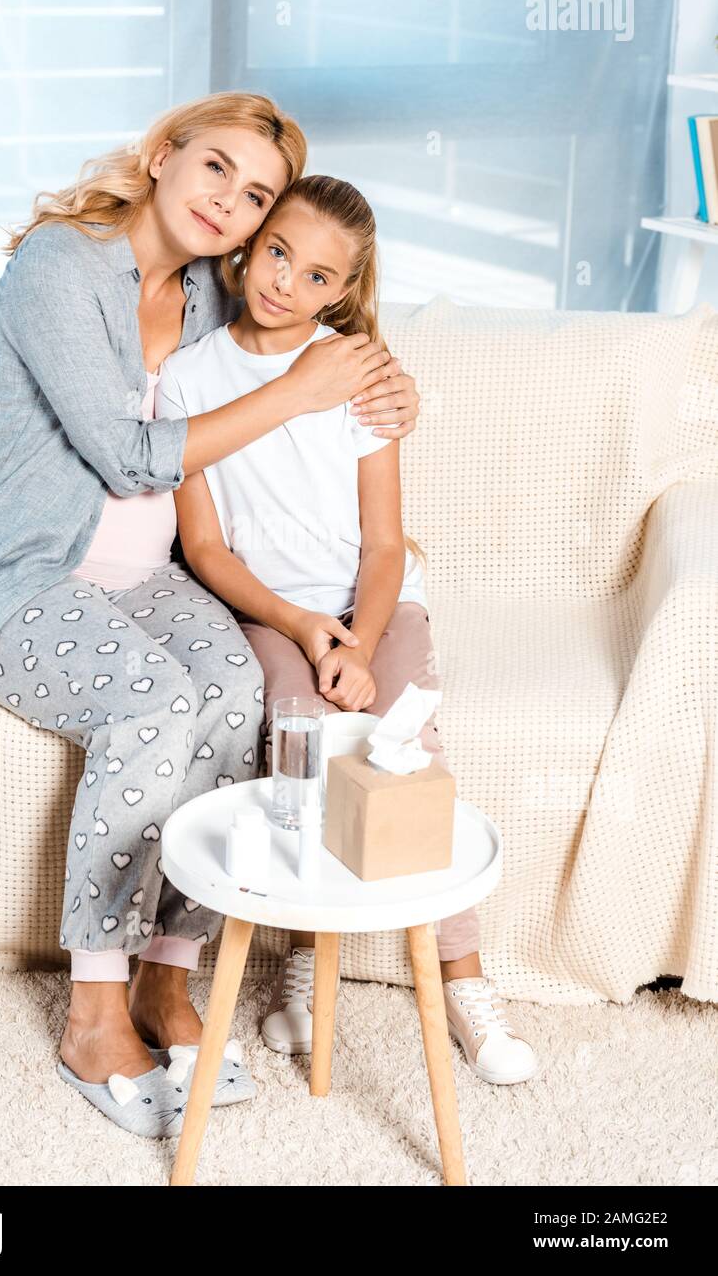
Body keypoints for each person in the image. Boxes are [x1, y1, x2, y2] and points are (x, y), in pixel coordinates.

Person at [0, 92, 423, 1137]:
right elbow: (129, 453)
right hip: (11, 578)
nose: (232, 203)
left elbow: (296, 329)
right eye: (218, 168)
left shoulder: (201, 292)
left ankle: (166, 977)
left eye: (257, 194)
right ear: (161, 155)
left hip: (146, 579)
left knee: (234, 692)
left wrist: (380, 384)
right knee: (150, 703)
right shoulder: (61, 266)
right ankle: (92, 1013)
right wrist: (303, 391)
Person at [156, 174, 538, 1088]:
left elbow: (380, 543)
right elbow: (204, 546)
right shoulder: (189, 377)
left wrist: (359, 647)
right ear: (250, 246)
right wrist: (302, 629)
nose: (286, 282)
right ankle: (301, 954)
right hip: (266, 611)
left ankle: (462, 980)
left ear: (342, 290)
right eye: (277, 252)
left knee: (408, 748)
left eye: (317, 276)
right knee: (294, 743)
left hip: (370, 607)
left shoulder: (363, 377)